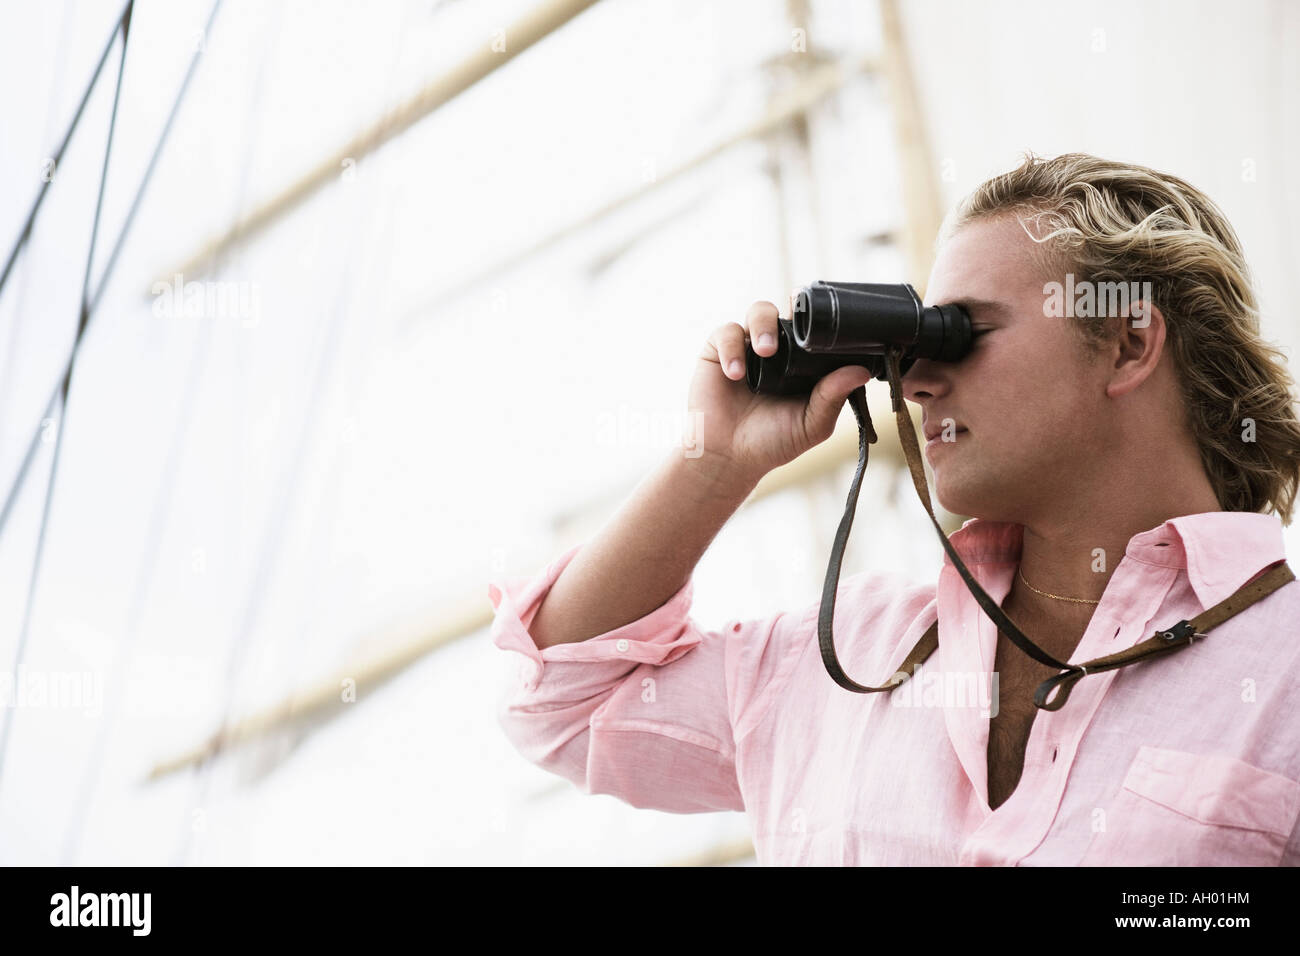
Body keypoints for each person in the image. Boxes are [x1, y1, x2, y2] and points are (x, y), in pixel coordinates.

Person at [486, 152, 1300, 865]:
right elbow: (563, 702)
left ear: (1127, 342)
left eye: (961, 333)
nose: (914, 381)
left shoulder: (1283, 664)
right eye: (912, 345)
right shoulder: (844, 656)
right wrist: (716, 462)